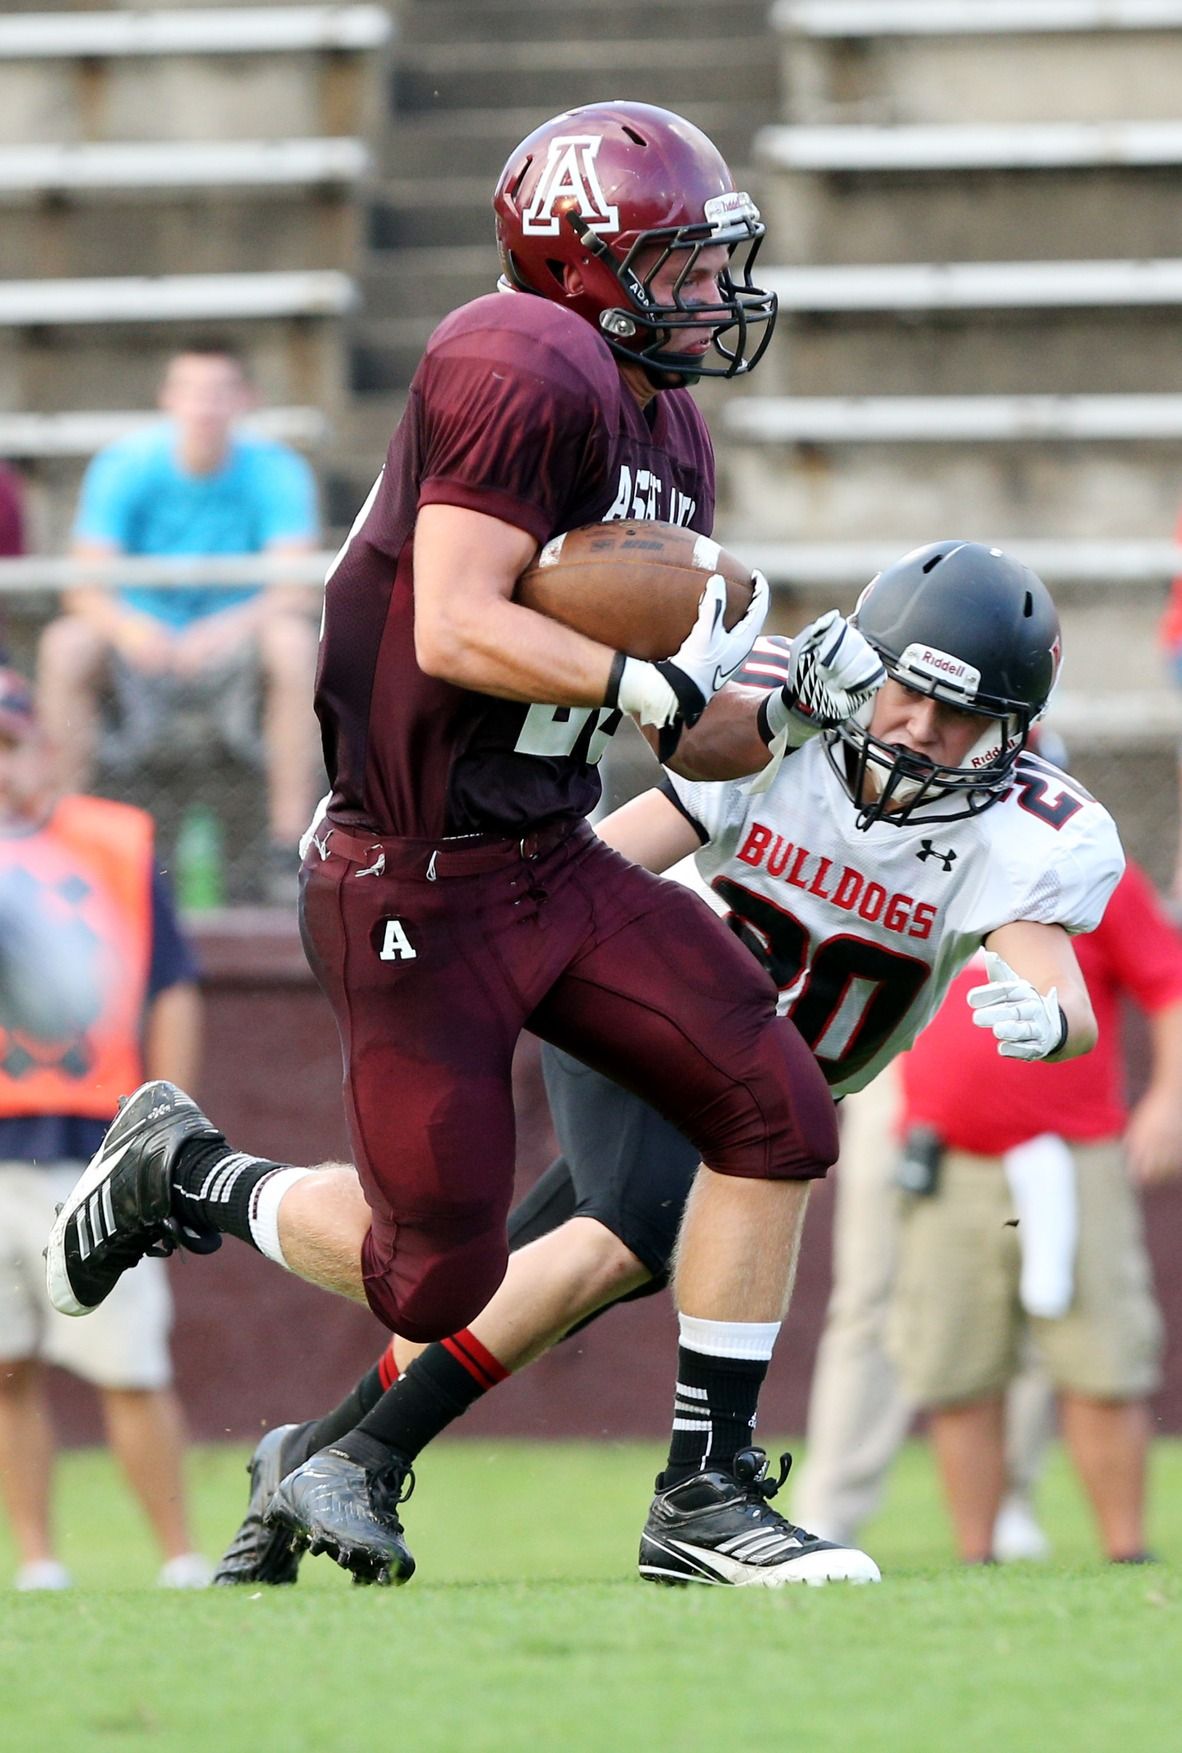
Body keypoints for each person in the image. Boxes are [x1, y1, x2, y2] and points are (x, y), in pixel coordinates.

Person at [45, 99, 891, 1593]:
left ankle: (703, 1499)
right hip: (410, 872)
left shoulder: (665, 421)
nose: (710, 296)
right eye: (682, 264)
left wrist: (790, 708)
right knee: (431, 1272)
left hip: (553, 856)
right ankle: (193, 1173)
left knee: (778, 1110)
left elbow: (683, 730)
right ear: (583, 261)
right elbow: (453, 617)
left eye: (712, 266)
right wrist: (644, 679)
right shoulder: (514, 352)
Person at [216, 544, 1119, 1589]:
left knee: (514, 1281)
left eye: (957, 716)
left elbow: (1065, 996)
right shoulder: (785, 733)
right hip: (647, 1010)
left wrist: (1053, 1024)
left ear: (1012, 734)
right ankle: (393, 1465)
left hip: (754, 1095)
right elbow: (597, 868)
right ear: (867, 673)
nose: (919, 728)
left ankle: (308, 1434)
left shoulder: (1026, 834)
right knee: (633, 1232)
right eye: (907, 693)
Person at [887, 855, 1182, 1564]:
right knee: (959, 1369)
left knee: (1101, 1360)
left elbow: (1167, 982)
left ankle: (1125, 1551)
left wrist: (1171, 1098)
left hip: (1073, 1154)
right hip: (946, 1156)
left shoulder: (1087, 867)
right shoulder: (918, 860)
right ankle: (975, 1557)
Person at [0, 667, 210, 1589]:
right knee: (7, 1373)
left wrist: (161, 1129)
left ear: (42, 747)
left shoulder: (112, 841)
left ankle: (179, 1554)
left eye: (8, 745)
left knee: (129, 1364)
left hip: (91, 1146)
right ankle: (38, 1561)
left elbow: (171, 986)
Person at [36, 342, 321, 898]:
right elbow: (83, 584)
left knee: (293, 643)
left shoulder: (277, 470)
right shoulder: (125, 465)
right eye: (191, 391)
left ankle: (287, 847)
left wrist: (222, 632)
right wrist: (131, 630)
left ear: (246, 400)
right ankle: (58, 839)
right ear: (167, 398)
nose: (204, 406)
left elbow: (296, 586)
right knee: (65, 644)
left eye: (219, 392)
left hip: (234, 641)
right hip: (138, 643)